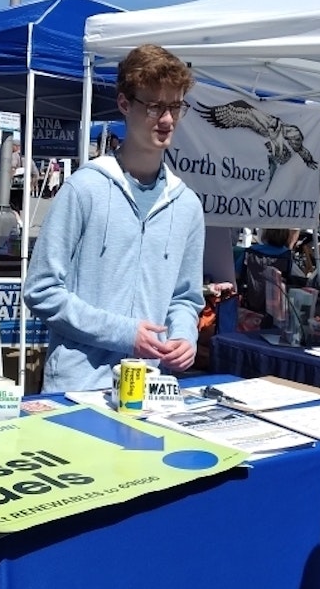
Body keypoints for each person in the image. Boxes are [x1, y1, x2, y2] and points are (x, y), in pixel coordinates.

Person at [23, 43, 205, 393]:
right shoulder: (84, 189)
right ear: (124, 104)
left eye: (175, 106)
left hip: (150, 389)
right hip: (78, 386)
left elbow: (185, 297)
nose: (167, 120)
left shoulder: (187, 206)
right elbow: (41, 290)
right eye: (154, 106)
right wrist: (123, 333)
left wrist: (184, 335)